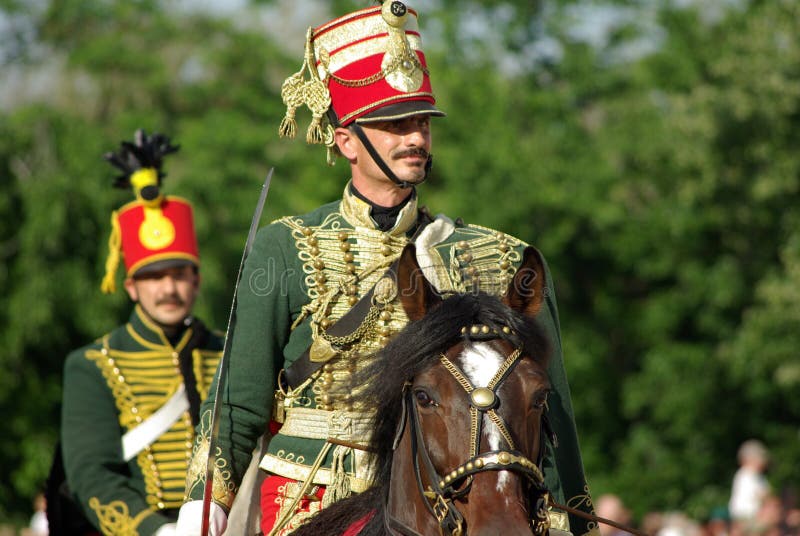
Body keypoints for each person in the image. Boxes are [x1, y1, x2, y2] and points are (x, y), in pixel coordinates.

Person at [177, 2, 597, 535]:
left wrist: (570, 524)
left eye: (421, 122)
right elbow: (237, 402)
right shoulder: (282, 249)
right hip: (309, 498)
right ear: (346, 139)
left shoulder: (501, 257)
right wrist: (204, 504)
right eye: (394, 124)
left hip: (455, 502)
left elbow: (549, 417)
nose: (416, 138)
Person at [57, 130, 223, 536]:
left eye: (179, 274)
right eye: (153, 277)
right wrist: (157, 532)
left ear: (197, 280)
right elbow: (91, 474)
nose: (168, 289)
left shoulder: (227, 351)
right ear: (130, 286)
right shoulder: (92, 364)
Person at [728, 439, 770, 524]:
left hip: (752, 516)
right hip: (747, 517)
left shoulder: (756, 476)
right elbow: (762, 496)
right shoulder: (747, 474)